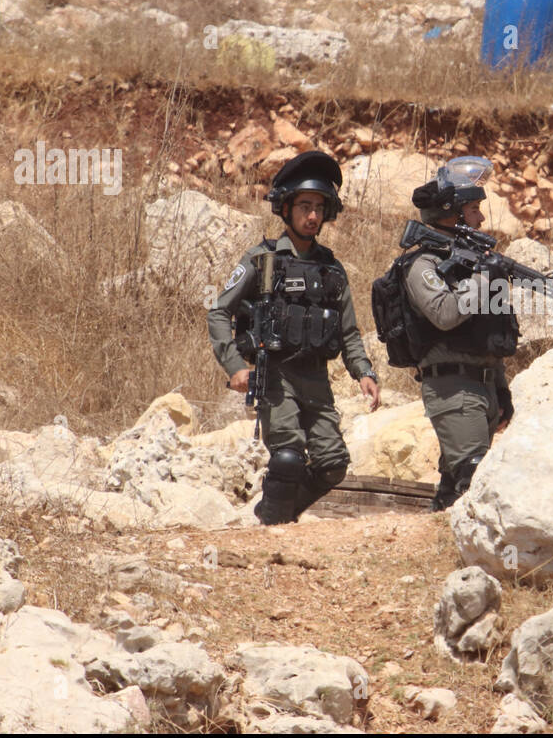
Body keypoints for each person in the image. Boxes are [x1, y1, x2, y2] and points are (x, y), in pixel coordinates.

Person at [207, 150, 380, 525]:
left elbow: (348, 331)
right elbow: (219, 312)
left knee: (333, 464)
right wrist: (235, 367)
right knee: (287, 456)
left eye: (320, 207)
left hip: (317, 379)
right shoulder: (261, 260)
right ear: (285, 208)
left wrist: (364, 371)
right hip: (277, 376)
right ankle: (274, 526)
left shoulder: (332, 269)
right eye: (304, 206)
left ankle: (278, 515)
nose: (313, 215)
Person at [400, 156, 518, 512]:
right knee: (474, 479)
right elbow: (445, 314)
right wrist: (484, 277)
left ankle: (443, 556)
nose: (481, 218)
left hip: (482, 387)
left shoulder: (471, 265)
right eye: (473, 209)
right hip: (452, 388)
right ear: (451, 216)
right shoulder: (422, 265)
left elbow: (489, 335)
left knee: (456, 485)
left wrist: (501, 388)